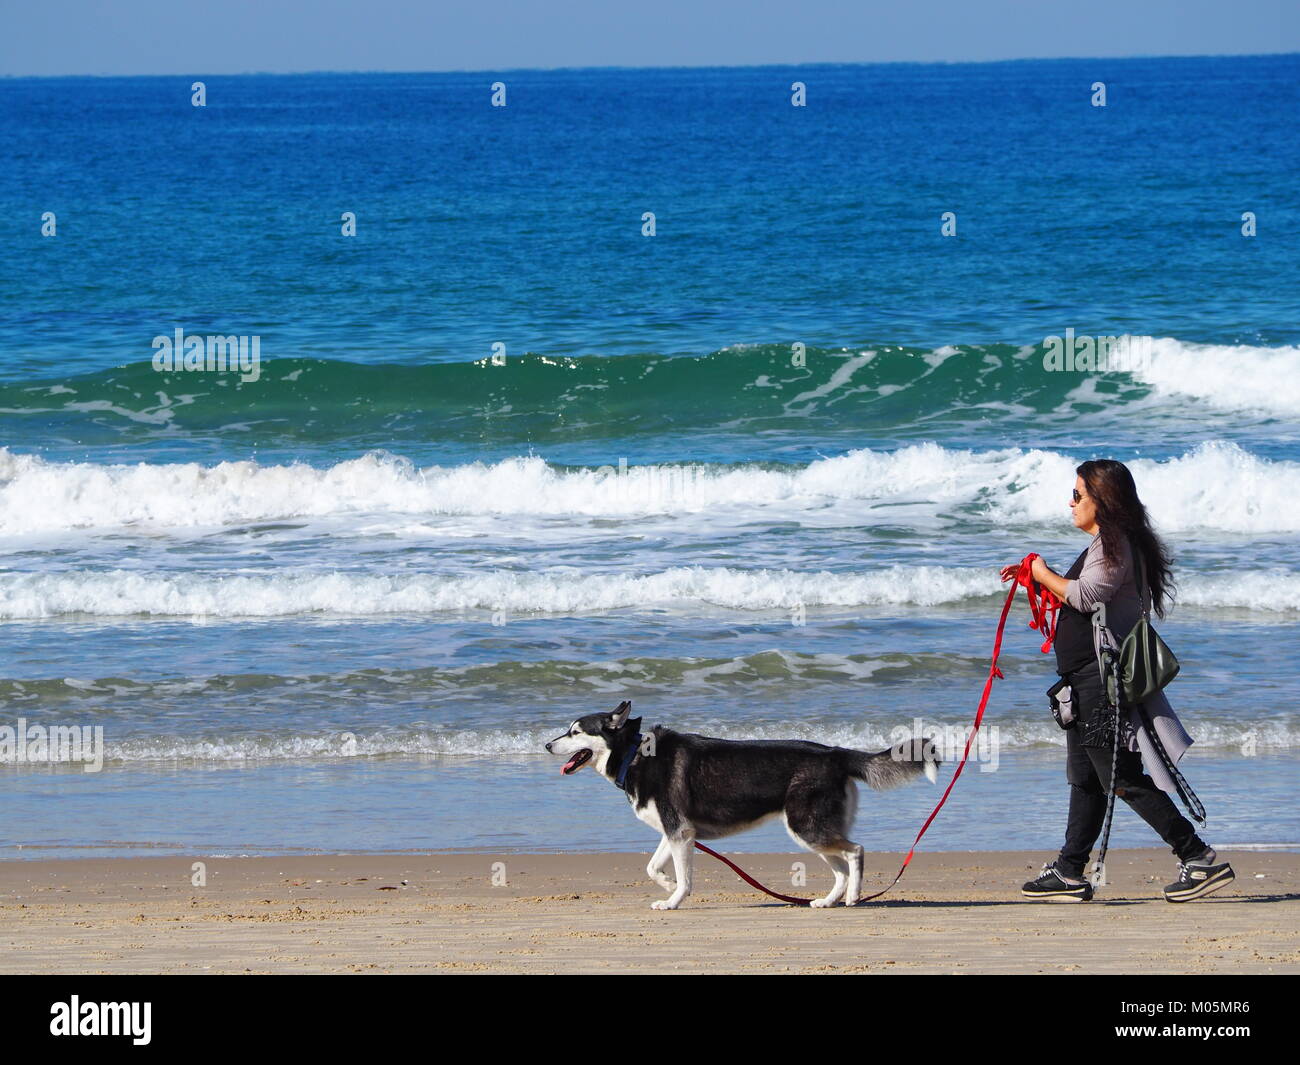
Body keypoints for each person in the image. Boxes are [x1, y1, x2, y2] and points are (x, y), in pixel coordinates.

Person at [1002, 459, 1235, 903]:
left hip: (1099, 679)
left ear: (1101, 501)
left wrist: (1041, 572)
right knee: (1087, 778)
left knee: (1119, 777)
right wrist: (1041, 579)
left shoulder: (1114, 543)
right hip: (1083, 677)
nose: (1070, 503)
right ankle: (1070, 871)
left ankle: (1198, 857)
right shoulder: (1106, 545)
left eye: (1078, 495)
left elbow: (1087, 596)